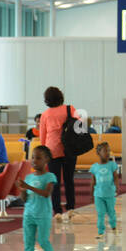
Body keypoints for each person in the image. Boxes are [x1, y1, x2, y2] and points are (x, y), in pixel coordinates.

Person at [15, 145, 59, 251]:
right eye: (33, 157)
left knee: (43, 240)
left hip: (43, 214)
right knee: (28, 244)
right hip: (29, 214)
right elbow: (25, 198)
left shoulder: (50, 176)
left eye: (38, 158)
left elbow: (46, 193)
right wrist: (21, 189)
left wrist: (28, 187)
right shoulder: (28, 177)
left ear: (46, 160)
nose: (34, 160)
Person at [38, 86, 79, 222]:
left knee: (54, 182)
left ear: (47, 100)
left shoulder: (45, 115)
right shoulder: (70, 109)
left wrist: (44, 153)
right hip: (69, 149)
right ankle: (71, 207)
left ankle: (57, 211)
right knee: (69, 180)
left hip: (52, 150)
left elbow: (42, 136)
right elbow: (80, 125)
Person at [89, 140, 120, 241]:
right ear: (99, 153)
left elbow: (115, 177)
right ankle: (100, 231)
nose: (107, 153)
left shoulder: (112, 165)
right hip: (98, 194)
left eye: (109, 151)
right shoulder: (94, 167)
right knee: (100, 213)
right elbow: (93, 181)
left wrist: (117, 186)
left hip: (110, 193)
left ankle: (114, 227)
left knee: (111, 211)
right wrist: (91, 193)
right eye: (105, 151)